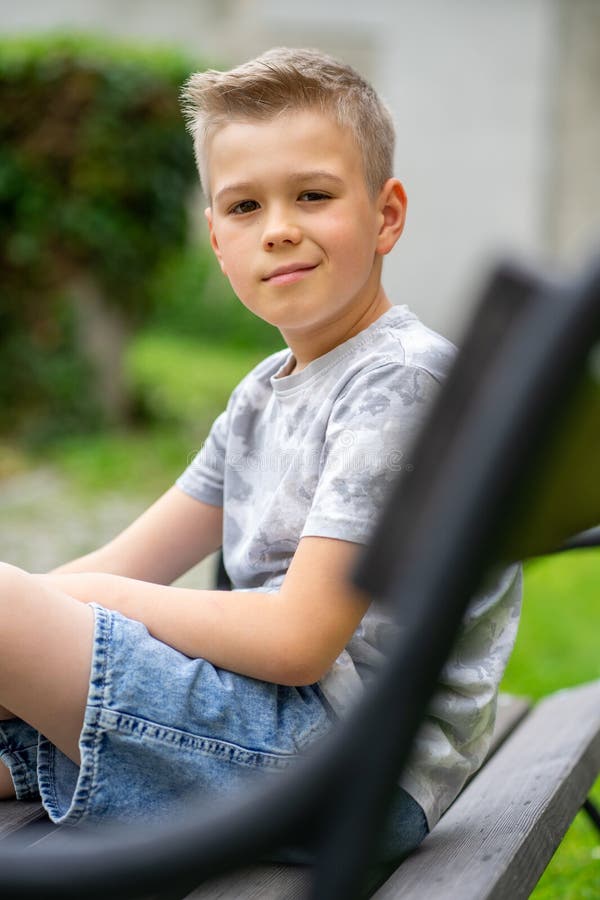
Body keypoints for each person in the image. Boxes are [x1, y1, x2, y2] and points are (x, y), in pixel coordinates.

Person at [0, 47, 522, 861]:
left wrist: (64, 606)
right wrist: (45, 609)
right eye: (244, 207)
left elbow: (297, 639)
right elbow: (129, 559)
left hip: (347, 768)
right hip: (271, 735)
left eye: (312, 196)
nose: (278, 229)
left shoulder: (400, 383)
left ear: (385, 215)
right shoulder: (262, 395)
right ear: (216, 238)